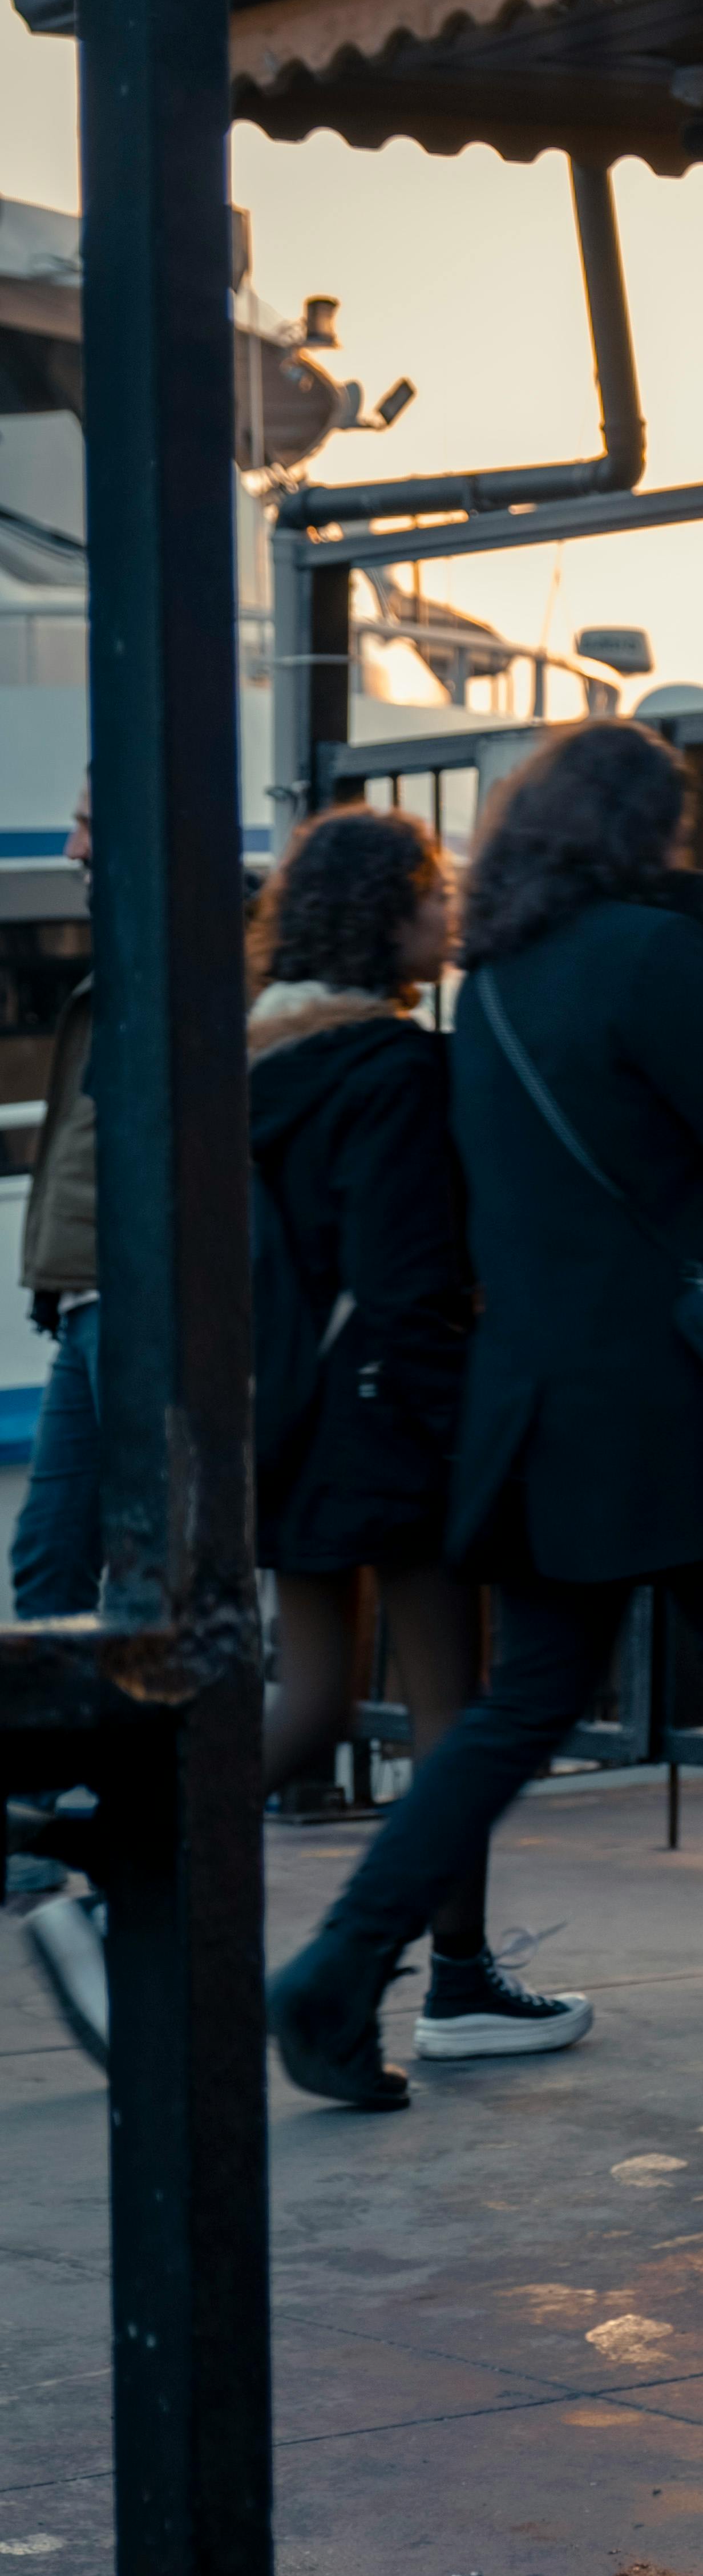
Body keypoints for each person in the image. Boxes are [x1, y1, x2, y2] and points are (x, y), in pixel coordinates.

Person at [265, 718, 703, 2111]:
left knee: (524, 1705)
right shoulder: (648, 954)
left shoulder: (494, 990)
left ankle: (339, 1964)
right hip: (677, 1406)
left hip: (536, 1415)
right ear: (646, 833)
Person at [250, 805, 588, 2086]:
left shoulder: (256, 1057)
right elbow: (411, 1275)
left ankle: (111, 1870)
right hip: (393, 1420)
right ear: (385, 914)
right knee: (455, 1700)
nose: (450, 913)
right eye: (432, 893)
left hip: (286, 1421)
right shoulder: (392, 1070)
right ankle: (455, 1978)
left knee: (315, 1696)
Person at [12, 776, 108, 2058]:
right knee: (48, 1560)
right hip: (89, 1300)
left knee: (111, 1568)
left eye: (90, 822)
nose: (75, 842)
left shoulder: (177, 956)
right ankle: (41, 1827)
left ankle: (77, 1842)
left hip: (129, 1307)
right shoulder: (115, 967)